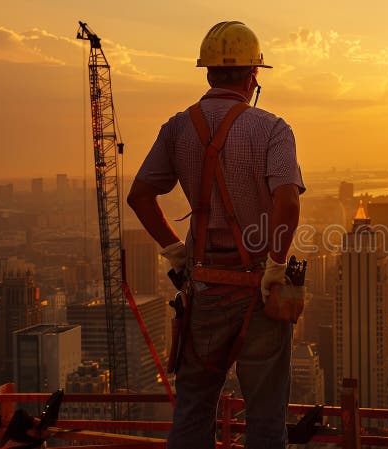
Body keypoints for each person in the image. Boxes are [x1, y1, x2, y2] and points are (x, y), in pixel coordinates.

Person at [127, 21, 305, 449]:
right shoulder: (272, 128)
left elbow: (140, 195)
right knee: (264, 417)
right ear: (253, 76)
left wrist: (176, 252)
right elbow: (288, 202)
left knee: (193, 409)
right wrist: (276, 268)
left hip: (204, 288)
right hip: (260, 292)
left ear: (207, 73)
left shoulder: (177, 128)